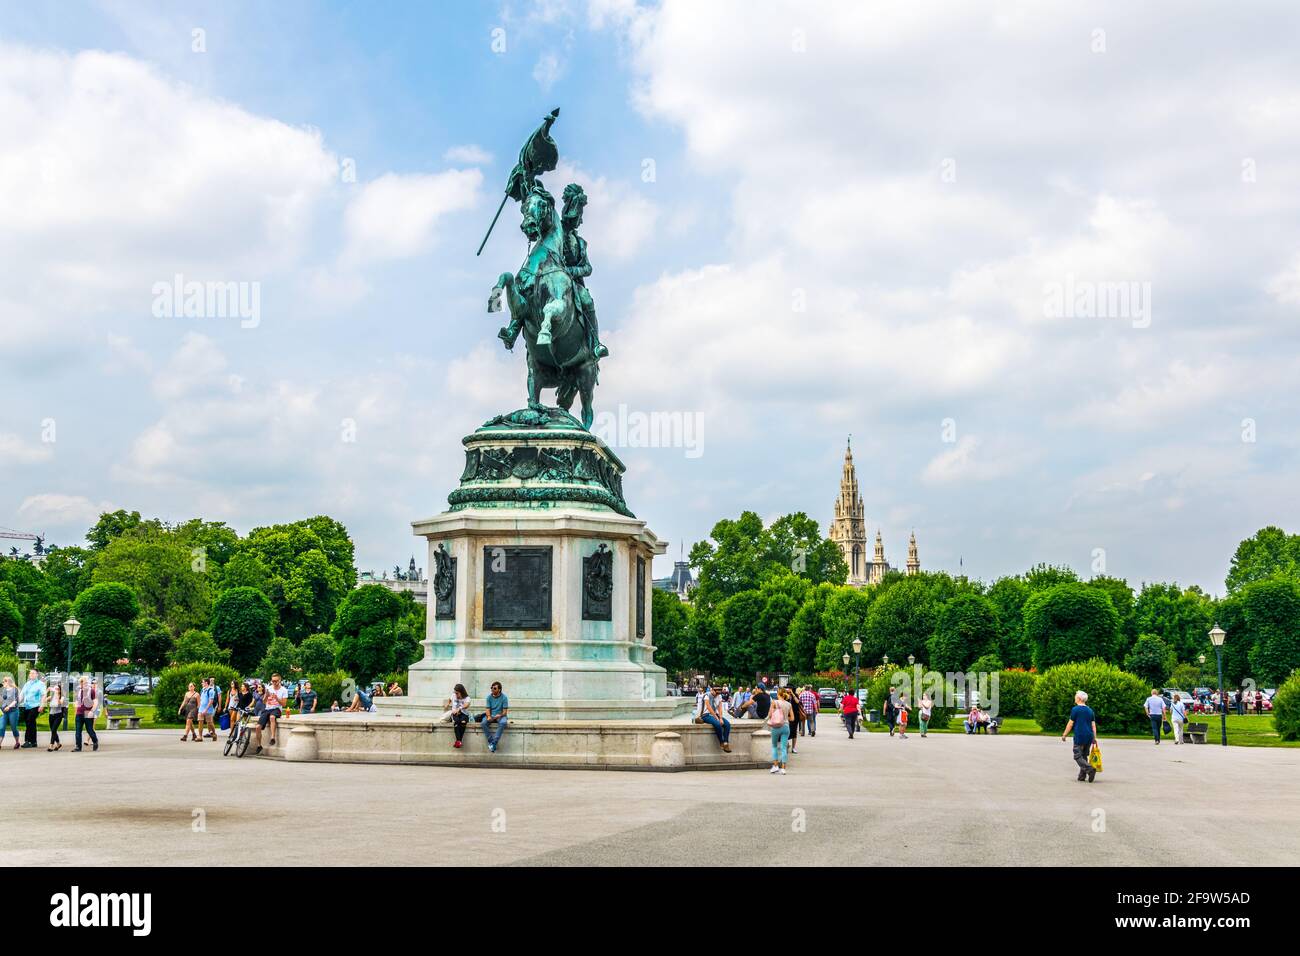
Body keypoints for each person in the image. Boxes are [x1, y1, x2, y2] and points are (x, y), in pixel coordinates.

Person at [1061, 690, 1098, 783]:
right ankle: (1082, 776)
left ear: (1079, 698)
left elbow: (1070, 724)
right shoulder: (1090, 710)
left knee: (1077, 756)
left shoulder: (1075, 709)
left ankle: (1090, 769)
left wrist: (1064, 734)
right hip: (1089, 736)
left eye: (1075, 696)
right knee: (1084, 755)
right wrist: (1094, 738)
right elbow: (1093, 725)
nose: (1075, 697)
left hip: (1080, 736)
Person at [700, 685, 732, 753]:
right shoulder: (706, 696)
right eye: (716, 693)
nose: (717, 695)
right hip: (706, 715)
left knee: (727, 724)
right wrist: (717, 718)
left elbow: (720, 708)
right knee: (717, 724)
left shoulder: (719, 696)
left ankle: (726, 743)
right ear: (712, 690)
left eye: (718, 693)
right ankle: (721, 742)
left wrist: (720, 718)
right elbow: (709, 708)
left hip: (715, 714)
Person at [479, 682, 509, 752]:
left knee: (503, 722)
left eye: (494, 688)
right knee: (483, 723)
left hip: (500, 715)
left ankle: (494, 742)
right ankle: (491, 742)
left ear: (499, 690)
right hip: (491, 715)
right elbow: (487, 709)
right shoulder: (489, 697)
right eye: (491, 688)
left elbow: (505, 712)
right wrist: (489, 716)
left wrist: (499, 715)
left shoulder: (504, 697)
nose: (492, 689)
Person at [73, 675, 99, 752]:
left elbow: (95, 702)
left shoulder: (92, 691)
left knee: (89, 730)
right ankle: (78, 747)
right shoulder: (79, 691)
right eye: (83, 683)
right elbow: (76, 701)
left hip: (88, 713)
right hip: (79, 713)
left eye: (86, 682)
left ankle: (95, 741)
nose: (85, 684)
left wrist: (92, 711)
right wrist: (76, 709)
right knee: (78, 731)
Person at [20, 668, 45, 748]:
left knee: (29, 720)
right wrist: (16, 703)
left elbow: (43, 695)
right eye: (30, 673)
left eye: (33, 673)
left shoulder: (40, 684)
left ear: (37, 674)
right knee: (31, 723)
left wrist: (42, 705)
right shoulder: (27, 684)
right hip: (27, 706)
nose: (31, 674)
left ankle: (28, 741)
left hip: (35, 706)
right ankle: (34, 742)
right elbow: (22, 694)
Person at [262, 674, 288, 746]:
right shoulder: (268, 688)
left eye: (276, 681)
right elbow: (264, 702)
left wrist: (276, 698)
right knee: (258, 726)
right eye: (272, 681)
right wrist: (266, 696)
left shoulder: (284, 690)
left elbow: (284, 704)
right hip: (267, 709)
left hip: (277, 709)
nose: (274, 682)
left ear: (279, 680)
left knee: (272, 717)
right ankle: (259, 745)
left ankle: (272, 737)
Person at [44, 680, 66, 751]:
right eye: (55, 688)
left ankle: (51, 745)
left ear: (60, 690)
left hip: (58, 715)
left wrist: (56, 695)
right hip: (51, 715)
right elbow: (44, 700)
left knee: (53, 730)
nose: (56, 690)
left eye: (57, 689)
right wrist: (47, 691)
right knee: (53, 730)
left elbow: (60, 703)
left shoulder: (62, 697)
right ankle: (58, 744)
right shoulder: (51, 696)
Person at [448, 684, 471, 749]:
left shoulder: (467, 698)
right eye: (455, 693)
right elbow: (450, 699)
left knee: (463, 722)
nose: (456, 695)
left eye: (457, 693)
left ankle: (458, 741)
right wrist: (448, 704)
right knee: (457, 722)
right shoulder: (453, 695)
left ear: (461, 692)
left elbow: (466, 705)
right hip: (455, 714)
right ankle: (459, 741)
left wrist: (460, 708)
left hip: (464, 714)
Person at [1, 675, 20, 749]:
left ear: (8, 682)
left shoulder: (15, 690)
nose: (3, 683)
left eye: (4, 682)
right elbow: (2, 700)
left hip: (13, 711)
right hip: (3, 711)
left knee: (13, 727)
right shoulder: (3, 690)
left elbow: (16, 701)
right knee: (1, 727)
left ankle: (17, 742)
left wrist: (9, 707)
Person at [780, 687, 801, 755]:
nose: (788, 690)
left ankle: (793, 748)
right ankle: (786, 745)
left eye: (789, 689)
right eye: (787, 689)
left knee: (794, 732)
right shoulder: (785, 695)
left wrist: (792, 694)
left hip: (795, 716)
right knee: (786, 731)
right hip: (787, 716)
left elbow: (797, 702)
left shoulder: (795, 695)